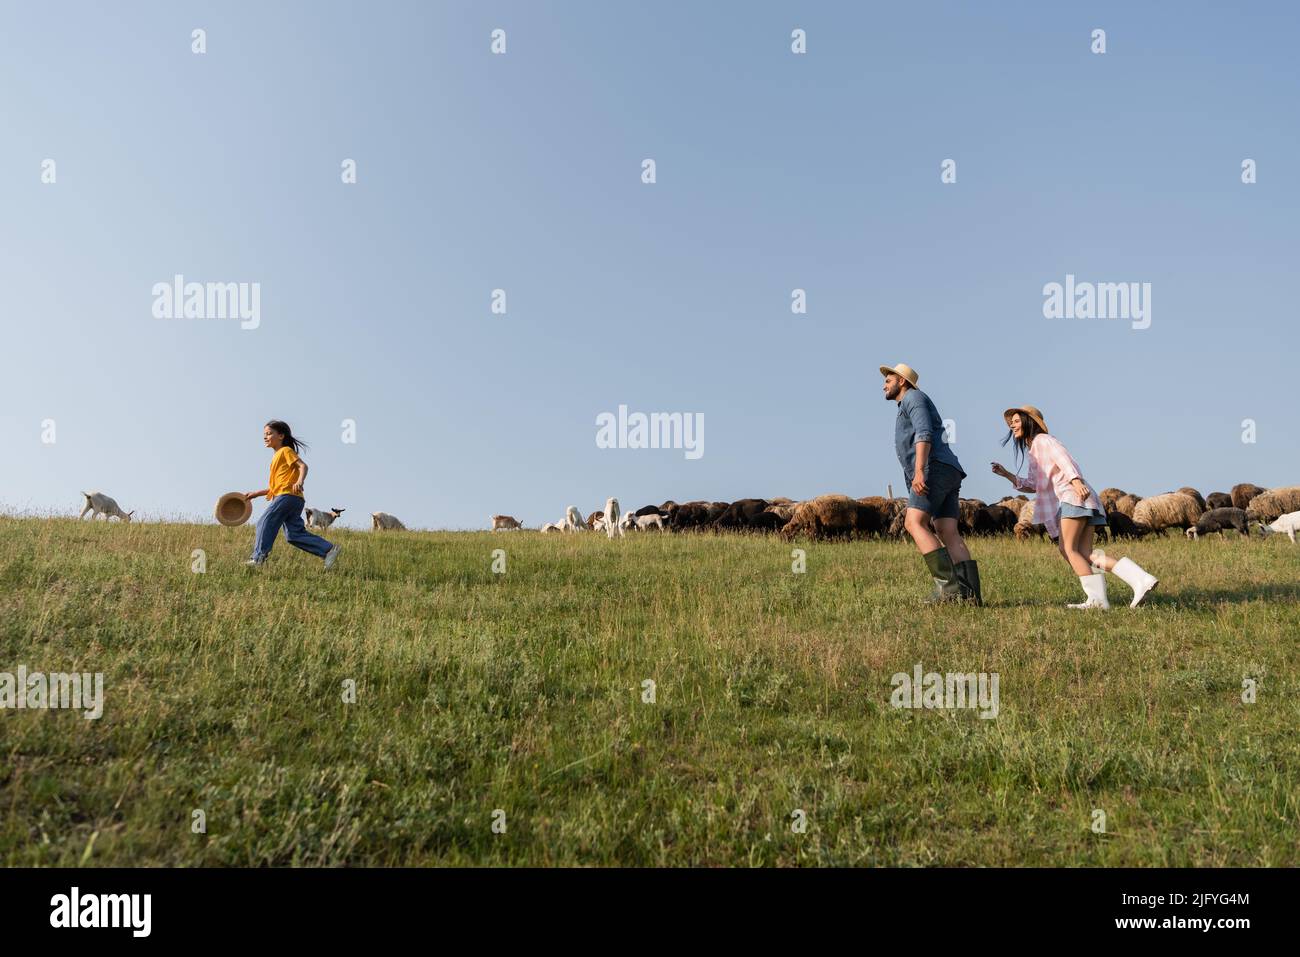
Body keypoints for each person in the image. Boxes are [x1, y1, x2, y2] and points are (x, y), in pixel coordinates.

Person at [991, 405, 1157, 609]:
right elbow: (1034, 485)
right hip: (1079, 499)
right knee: (1086, 554)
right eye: (1011, 423)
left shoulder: (1044, 440)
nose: (1012, 425)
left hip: (1072, 496)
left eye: (1016, 421)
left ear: (1029, 421)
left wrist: (1076, 481)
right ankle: (1140, 579)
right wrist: (1008, 474)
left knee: (1067, 548)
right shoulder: (1034, 450)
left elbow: (1064, 459)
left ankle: (1097, 600)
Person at [881, 363, 980, 604]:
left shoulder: (913, 398)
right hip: (947, 469)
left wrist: (919, 472)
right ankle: (971, 596)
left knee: (913, 523)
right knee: (948, 530)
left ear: (902, 381)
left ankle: (949, 590)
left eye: (889, 379)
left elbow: (923, 433)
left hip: (932, 468)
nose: (884, 384)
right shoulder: (910, 402)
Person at [243, 420, 341, 569]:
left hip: (287, 496)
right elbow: (276, 486)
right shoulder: (276, 457)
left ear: (281, 436)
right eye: (264, 434)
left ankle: (258, 559)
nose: (265, 437)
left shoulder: (285, 451)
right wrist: (256, 493)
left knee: (265, 521)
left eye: (269, 433)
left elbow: (303, 466)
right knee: (293, 535)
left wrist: (300, 481)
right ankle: (328, 550)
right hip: (292, 498)